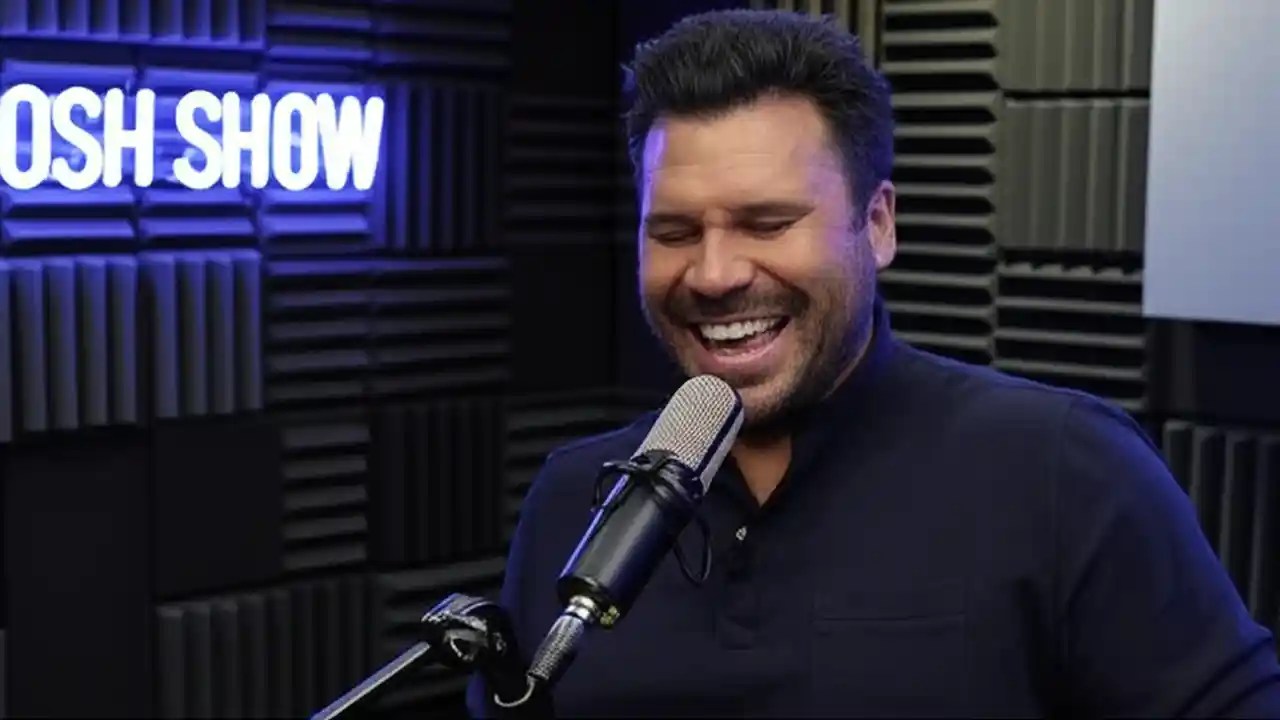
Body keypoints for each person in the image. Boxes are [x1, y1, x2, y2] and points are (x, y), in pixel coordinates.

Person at [468, 9, 1280, 717]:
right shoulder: (573, 498)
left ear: (879, 223)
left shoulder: (1064, 472)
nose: (714, 275)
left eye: (768, 222)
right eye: (675, 233)